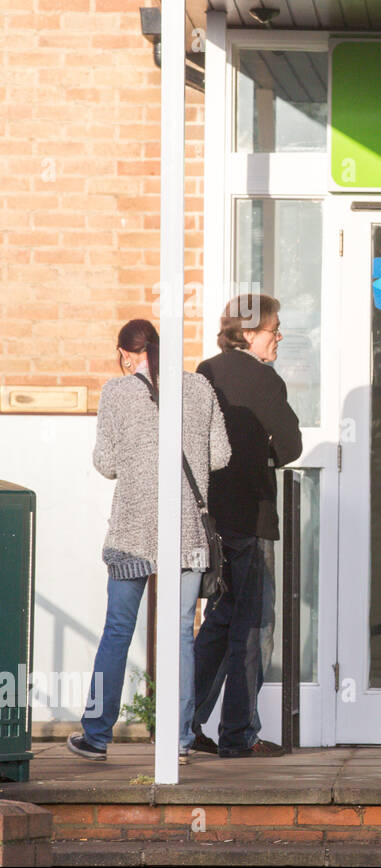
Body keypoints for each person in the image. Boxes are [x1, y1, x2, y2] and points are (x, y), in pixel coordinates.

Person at [67, 319, 230, 765]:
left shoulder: (116, 392)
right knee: (180, 634)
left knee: (118, 630)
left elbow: (105, 462)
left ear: (124, 354)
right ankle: (178, 739)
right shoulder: (198, 388)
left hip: (132, 531)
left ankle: (96, 736)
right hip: (186, 532)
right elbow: (221, 455)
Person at [192, 294, 302, 758]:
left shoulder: (205, 371)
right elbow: (292, 445)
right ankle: (239, 735)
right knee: (254, 623)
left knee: (219, 618)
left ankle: (184, 723)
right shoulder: (265, 379)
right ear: (250, 333)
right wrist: (264, 457)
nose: (279, 338)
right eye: (274, 330)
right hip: (252, 518)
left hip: (210, 517)